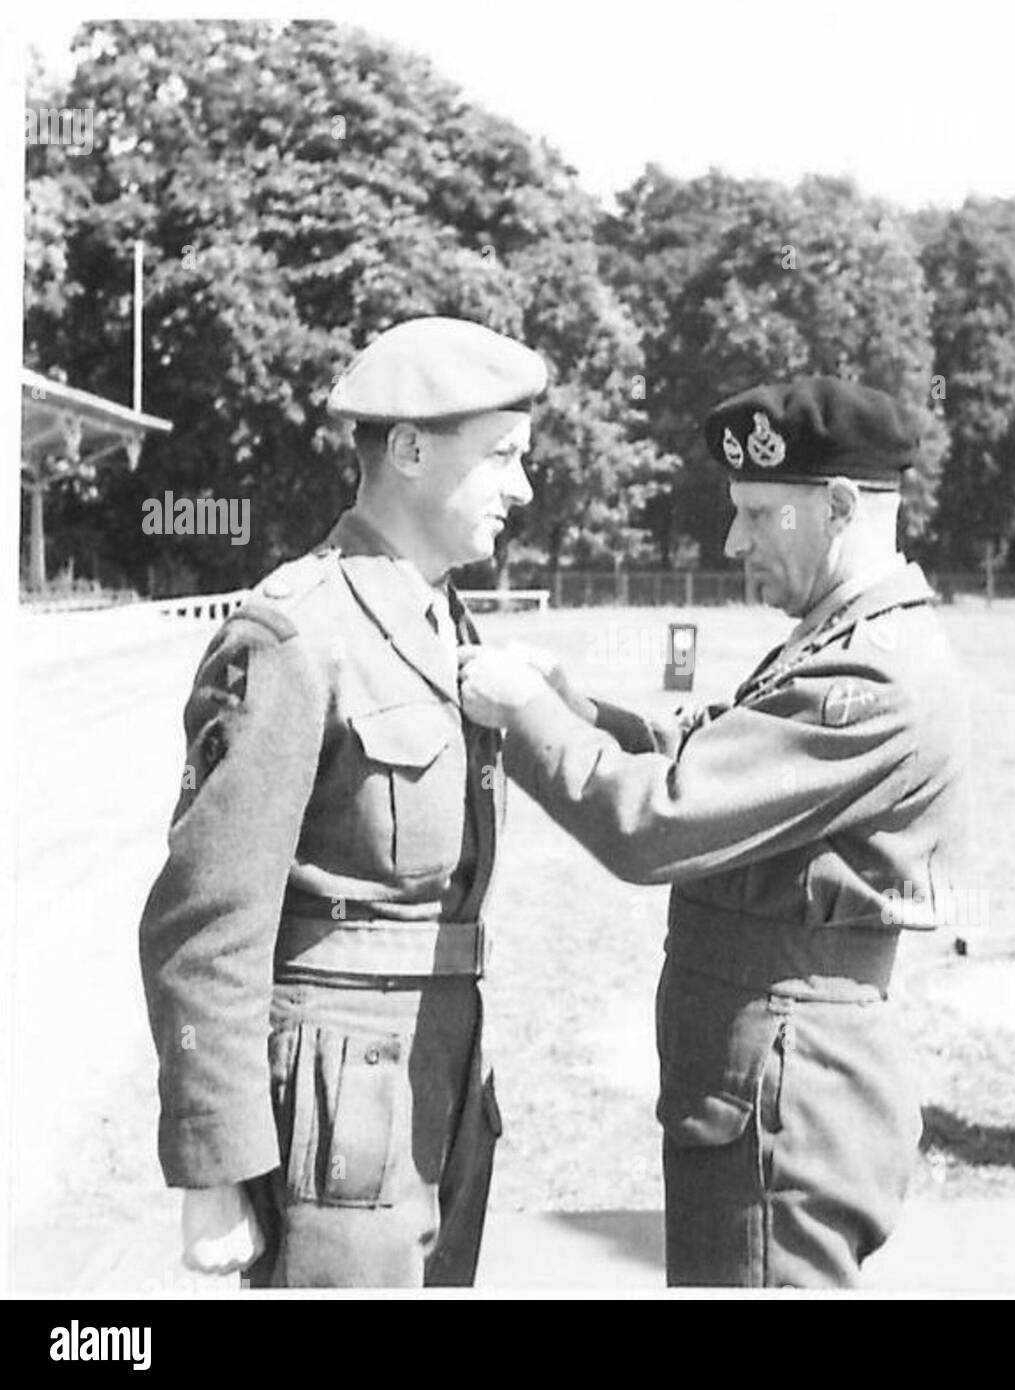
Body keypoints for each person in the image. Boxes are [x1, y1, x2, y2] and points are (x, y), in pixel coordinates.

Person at [459, 376, 971, 1287]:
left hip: (787, 1096)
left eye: (758, 513)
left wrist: (525, 716)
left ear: (841, 506)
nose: (734, 541)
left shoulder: (870, 678)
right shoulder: (836, 640)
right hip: (766, 1083)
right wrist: (577, 704)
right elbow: (712, 759)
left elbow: (654, 822)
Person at [138, 316, 546, 1285]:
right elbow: (205, 918)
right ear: (407, 450)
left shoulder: (445, 620)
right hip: (334, 1105)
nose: (522, 488)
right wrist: (216, 1164)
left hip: (439, 1078)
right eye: (500, 457)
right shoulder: (294, 631)